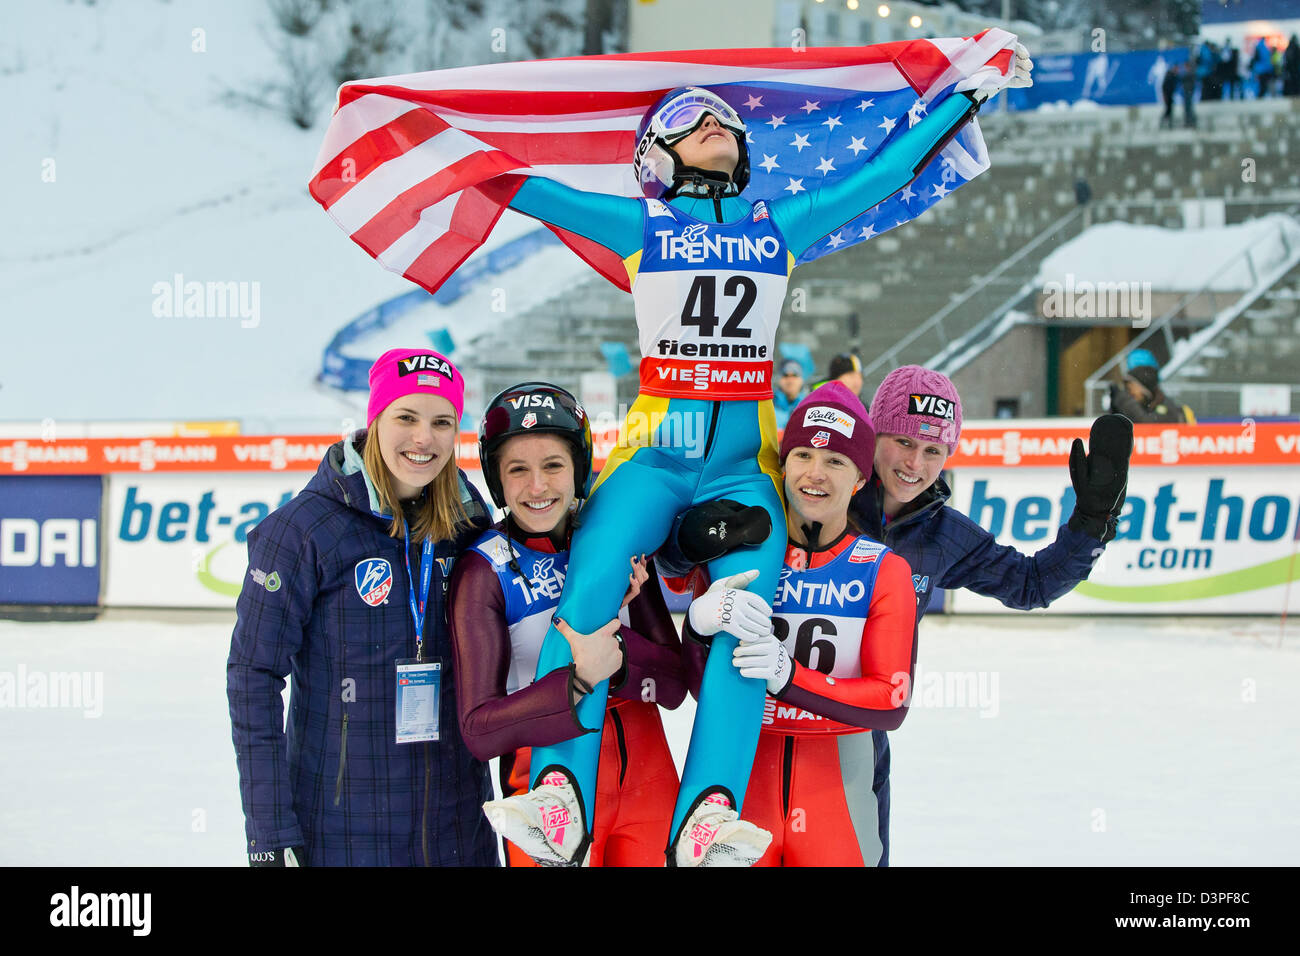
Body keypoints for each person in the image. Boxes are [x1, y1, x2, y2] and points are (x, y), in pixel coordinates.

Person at [487, 49, 1036, 867]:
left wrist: (964, 97)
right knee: (594, 581)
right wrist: (430, 141)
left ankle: (708, 811)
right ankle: (563, 794)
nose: (712, 125)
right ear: (655, 158)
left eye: (723, 120)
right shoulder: (643, 224)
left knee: (750, 628)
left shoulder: (778, 224)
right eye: (687, 121)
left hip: (748, 464)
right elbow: (530, 190)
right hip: (655, 453)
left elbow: (885, 174)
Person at [227, 348, 499, 866]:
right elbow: (253, 675)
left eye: (442, 422)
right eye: (406, 417)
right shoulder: (302, 530)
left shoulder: (467, 521)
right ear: (375, 419)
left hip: (458, 827)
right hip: (341, 831)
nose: (424, 438)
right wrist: (269, 831)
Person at [451, 382, 689, 866]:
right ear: (497, 481)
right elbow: (479, 731)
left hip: (648, 787)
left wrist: (619, 658)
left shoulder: (614, 543)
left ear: (579, 469)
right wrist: (579, 681)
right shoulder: (484, 571)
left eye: (553, 466)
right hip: (549, 795)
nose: (537, 487)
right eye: (518, 470)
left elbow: (672, 687)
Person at [682, 383, 919, 865]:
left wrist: (789, 678)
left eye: (835, 461)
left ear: (858, 479)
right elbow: (692, 687)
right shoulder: (739, 557)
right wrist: (695, 629)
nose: (815, 474)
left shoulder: (884, 570)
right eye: (804, 456)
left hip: (839, 796)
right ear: (782, 465)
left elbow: (891, 703)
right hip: (743, 783)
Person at [1107, 349, 1195, 424]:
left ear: (1143, 388)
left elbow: (1147, 424)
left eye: (1131, 387)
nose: (1130, 392)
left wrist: (1123, 399)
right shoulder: (1142, 405)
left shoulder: (1167, 408)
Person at [772, 359, 807, 429]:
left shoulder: (809, 406)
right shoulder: (769, 406)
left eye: (794, 375)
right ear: (779, 380)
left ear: (801, 380)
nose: (790, 380)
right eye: (786, 375)